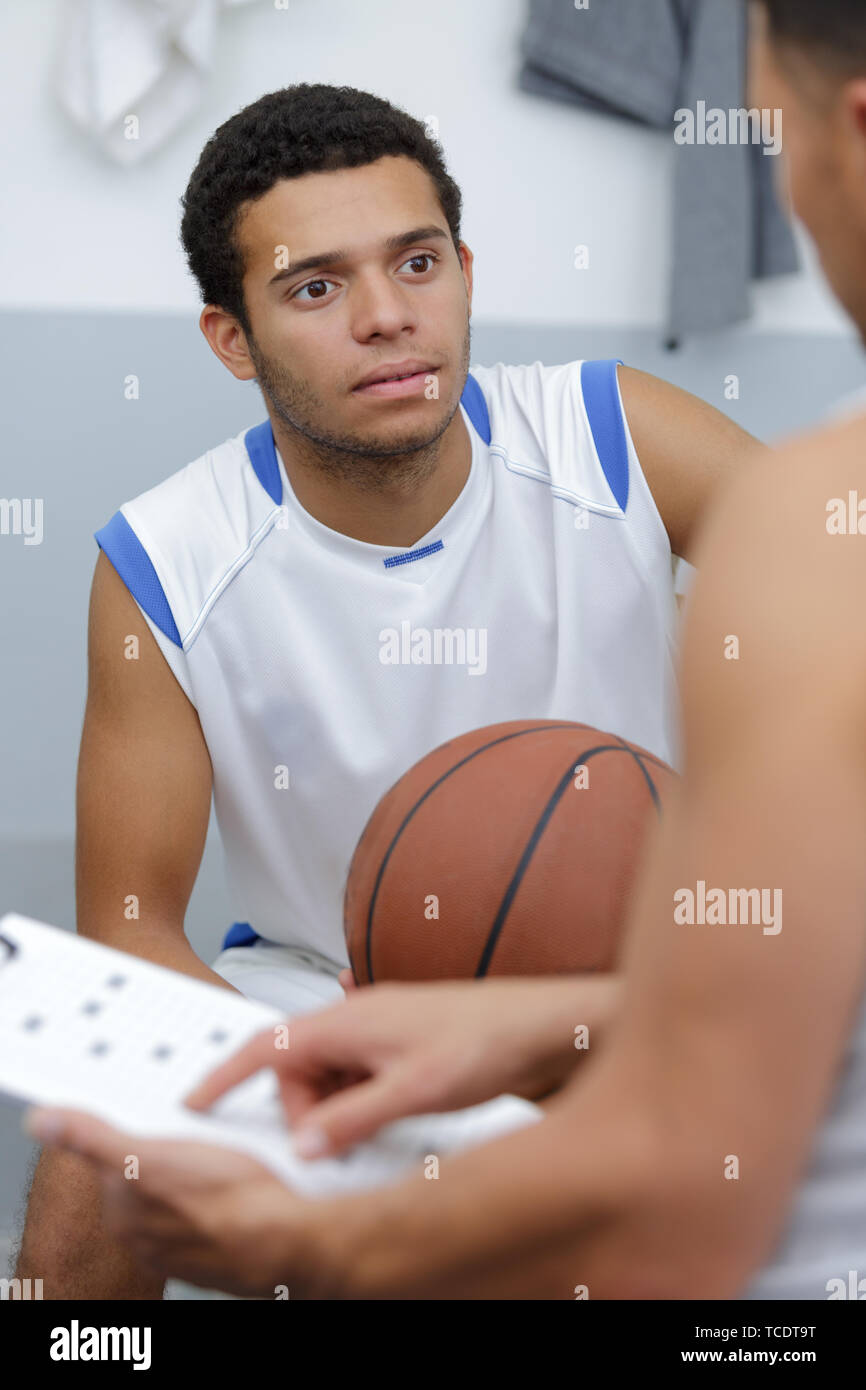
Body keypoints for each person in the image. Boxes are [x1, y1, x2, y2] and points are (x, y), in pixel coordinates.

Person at [16, 82, 763, 1299]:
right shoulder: (164, 555)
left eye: (415, 263)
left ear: (464, 270)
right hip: (322, 980)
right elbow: (133, 925)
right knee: (103, 1144)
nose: (385, 318)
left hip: (628, 976)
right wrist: (314, 1053)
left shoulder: (611, 435)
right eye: (314, 286)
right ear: (229, 337)